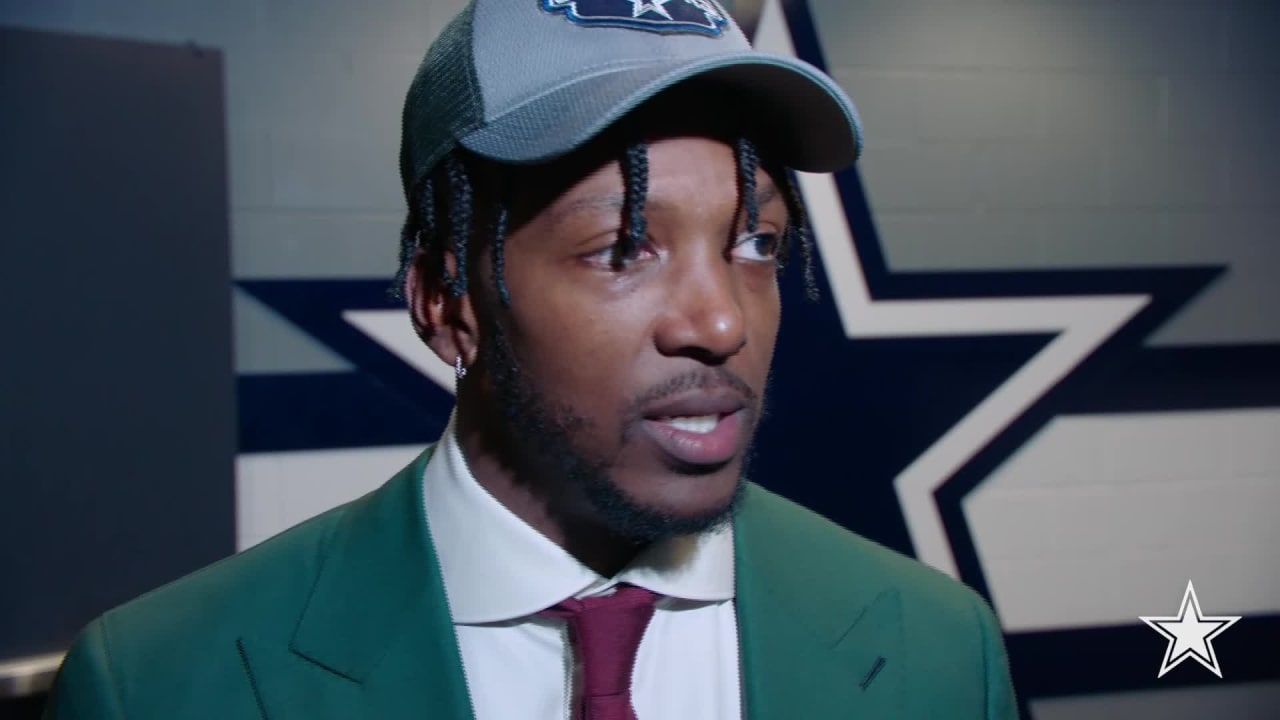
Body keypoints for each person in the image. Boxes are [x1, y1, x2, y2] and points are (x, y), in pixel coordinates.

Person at [44, 1, 1018, 718]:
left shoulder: (937, 646)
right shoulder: (159, 683)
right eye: (621, 249)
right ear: (444, 303)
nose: (719, 322)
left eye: (753, 244)